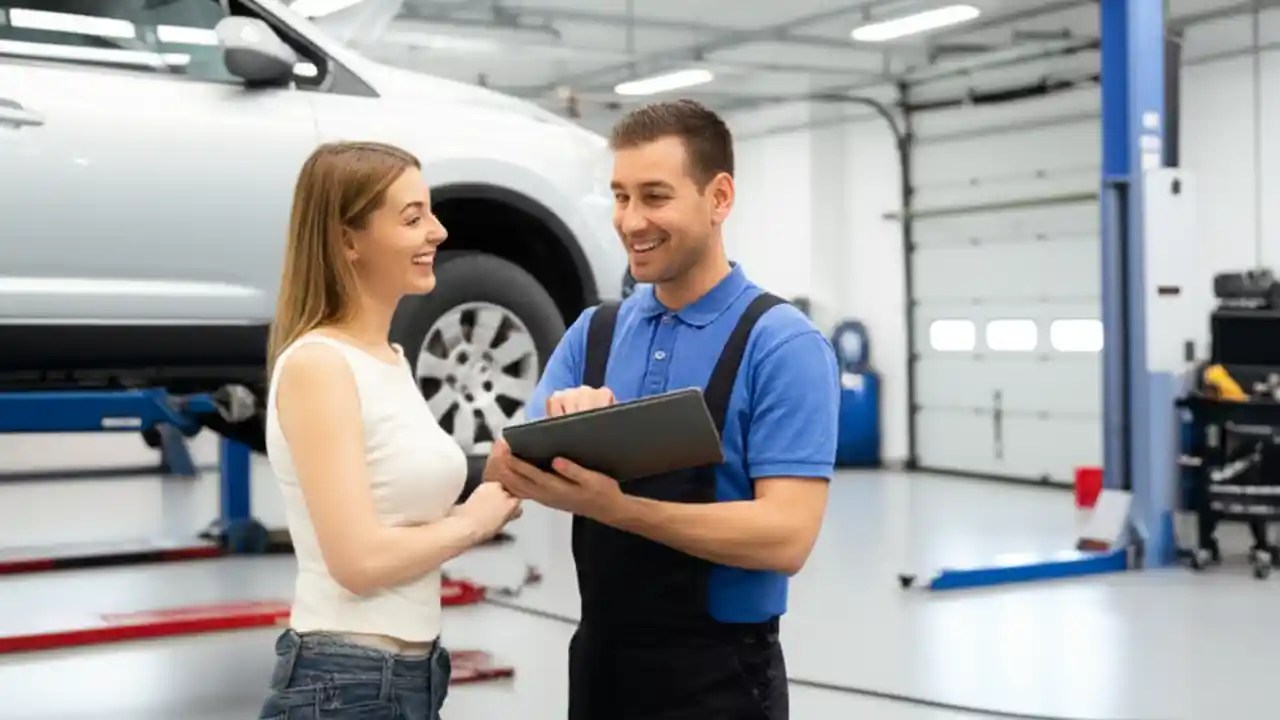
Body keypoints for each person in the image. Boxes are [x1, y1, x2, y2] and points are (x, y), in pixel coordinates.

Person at [486, 99, 839, 720]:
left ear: (719, 197)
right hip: (602, 664)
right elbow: (502, 471)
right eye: (620, 197)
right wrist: (562, 431)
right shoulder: (594, 333)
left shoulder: (782, 343)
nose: (630, 221)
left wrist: (616, 508)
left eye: (654, 196)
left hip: (721, 678)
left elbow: (786, 537)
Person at [258, 141, 523, 720]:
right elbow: (358, 562)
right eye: (413, 217)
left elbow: (402, 528)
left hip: (408, 675)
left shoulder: (391, 359)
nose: (438, 231)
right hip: (345, 681)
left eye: (429, 212)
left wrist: (494, 491)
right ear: (347, 241)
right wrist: (475, 524)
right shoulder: (319, 366)